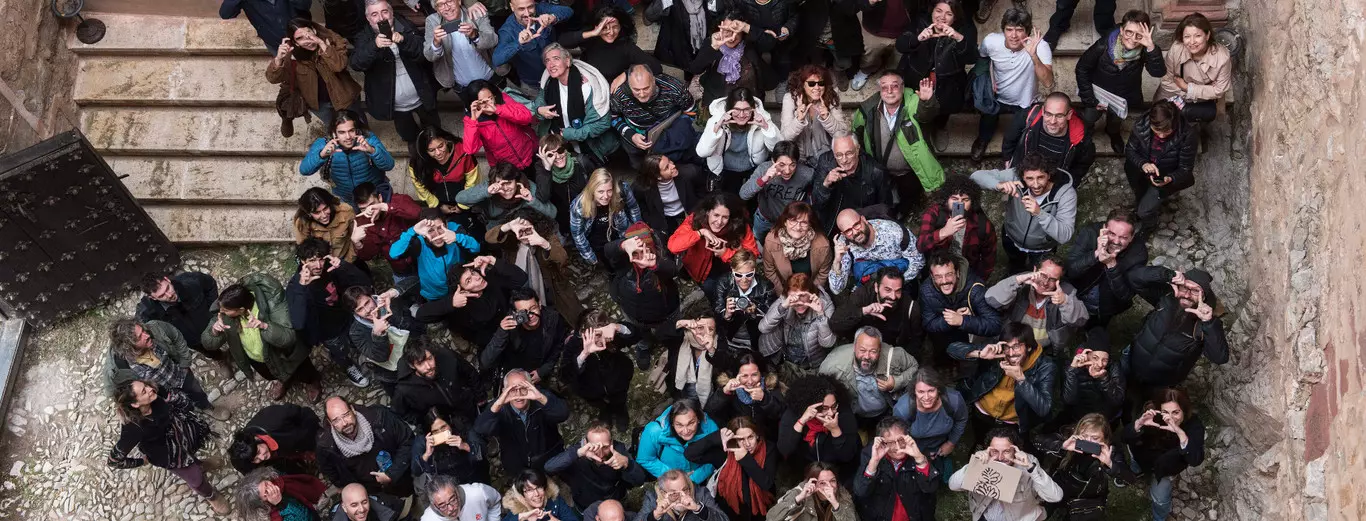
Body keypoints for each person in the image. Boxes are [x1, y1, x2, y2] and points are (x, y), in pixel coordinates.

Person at [108, 381, 230, 514]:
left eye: (146, 385)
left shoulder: (155, 392)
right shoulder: (133, 429)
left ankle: (199, 464)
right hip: (170, 455)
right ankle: (212, 497)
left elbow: (184, 403)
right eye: (144, 391)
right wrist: (142, 461)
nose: (150, 389)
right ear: (135, 404)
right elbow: (114, 460)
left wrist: (171, 397)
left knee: (191, 454)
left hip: (181, 435)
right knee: (196, 480)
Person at [202, 274, 323, 401]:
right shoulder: (225, 312)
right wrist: (214, 331)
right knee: (270, 373)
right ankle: (283, 380)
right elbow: (208, 344)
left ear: (241, 309)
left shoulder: (272, 302)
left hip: (283, 354)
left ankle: (311, 381)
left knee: (302, 370)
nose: (221, 311)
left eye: (225, 310)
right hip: (258, 358)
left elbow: (288, 338)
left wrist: (265, 326)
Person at [948, 324, 1058, 450]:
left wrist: (1021, 379)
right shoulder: (996, 350)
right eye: (1007, 347)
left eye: (1016, 347)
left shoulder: (1045, 366)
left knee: (1007, 452)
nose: (1010, 353)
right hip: (983, 412)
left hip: (1012, 422)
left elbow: (1044, 408)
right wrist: (979, 354)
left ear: (1028, 347)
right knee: (982, 441)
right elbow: (952, 349)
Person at [849, 71, 943, 216]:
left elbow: (926, 115)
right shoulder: (868, 110)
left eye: (895, 86)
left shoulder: (912, 103)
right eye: (885, 87)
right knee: (884, 194)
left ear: (902, 87)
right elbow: (857, 132)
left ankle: (904, 211)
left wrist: (927, 102)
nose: (890, 91)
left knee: (908, 193)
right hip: (882, 170)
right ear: (880, 90)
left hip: (909, 171)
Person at [971, 7, 1055, 163]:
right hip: (998, 96)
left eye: (1019, 30)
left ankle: (1012, 157)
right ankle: (983, 140)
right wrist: (988, 81)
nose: (1014, 35)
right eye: (1009, 30)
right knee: (987, 120)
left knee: (1014, 136)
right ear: (1003, 30)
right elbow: (983, 59)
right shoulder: (991, 41)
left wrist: (1034, 56)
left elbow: (1048, 83)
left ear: (1027, 31)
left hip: (1025, 101)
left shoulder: (1040, 47)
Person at [972, 153, 1078, 275]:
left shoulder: (1066, 194)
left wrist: (1040, 213)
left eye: (1041, 177)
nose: (1036, 184)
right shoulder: (1014, 175)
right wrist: (998, 185)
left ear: (1049, 175)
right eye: (1030, 179)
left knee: (1038, 274)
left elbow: (1065, 235)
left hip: (1042, 247)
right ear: (1022, 176)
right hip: (1012, 238)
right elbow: (975, 177)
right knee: (1015, 265)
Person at [287, 238, 374, 387]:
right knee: (340, 351)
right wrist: (302, 288)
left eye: (321, 259)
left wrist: (343, 266)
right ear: (302, 261)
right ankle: (347, 365)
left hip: (346, 315)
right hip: (328, 331)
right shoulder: (296, 286)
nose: (318, 265)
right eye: (312, 260)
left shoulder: (330, 268)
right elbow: (298, 322)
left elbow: (364, 283)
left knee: (356, 338)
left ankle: (362, 350)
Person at [1075, 10, 1164, 155]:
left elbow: (1158, 72)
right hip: (1099, 92)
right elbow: (1082, 69)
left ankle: (1113, 133)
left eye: (1139, 34)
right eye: (1129, 32)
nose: (1133, 39)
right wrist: (1089, 98)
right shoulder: (1102, 46)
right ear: (1122, 30)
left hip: (1123, 95)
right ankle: (1086, 132)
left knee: (1115, 121)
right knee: (1090, 116)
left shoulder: (1144, 50)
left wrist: (1151, 48)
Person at [1125, 267, 1229, 390]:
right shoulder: (1167, 297)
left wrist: (1208, 322)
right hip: (1130, 362)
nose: (1187, 294)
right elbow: (1133, 278)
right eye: (1185, 287)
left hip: (1161, 382)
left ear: (1204, 296)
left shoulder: (1206, 322)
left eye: (1195, 291)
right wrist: (1167, 275)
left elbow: (1220, 357)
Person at [351, 0, 441, 143]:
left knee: (435, 132)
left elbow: (423, 54)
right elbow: (356, 63)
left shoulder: (405, 26)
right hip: (396, 105)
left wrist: (404, 40)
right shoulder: (364, 36)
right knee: (409, 137)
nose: (381, 18)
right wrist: (374, 46)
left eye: (384, 12)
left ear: (391, 13)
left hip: (422, 97)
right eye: (374, 14)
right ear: (368, 19)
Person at [102, 319, 225, 419]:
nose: (146, 335)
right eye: (140, 337)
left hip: (180, 374)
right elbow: (112, 391)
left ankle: (206, 407)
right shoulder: (118, 368)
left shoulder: (156, 328)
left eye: (143, 331)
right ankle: (189, 416)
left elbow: (176, 337)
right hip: (160, 393)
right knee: (176, 408)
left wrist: (185, 363)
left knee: (196, 391)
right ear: (129, 347)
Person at [894, 0, 977, 142]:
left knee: (944, 107)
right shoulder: (920, 22)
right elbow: (900, 45)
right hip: (916, 76)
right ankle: (917, 125)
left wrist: (958, 38)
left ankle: (939, 127)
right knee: (916, 104)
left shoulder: (965, 29)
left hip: (949, 81)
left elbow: (972, 57)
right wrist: (918, 38)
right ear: (932, 11)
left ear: (955, 18)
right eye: (938, 11)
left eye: (949, 14)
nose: (942, 17)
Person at [605, 223, 683, 369]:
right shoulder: (623, 260)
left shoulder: (660, 253)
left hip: (665, 312)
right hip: (634, 312)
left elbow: (673, 270)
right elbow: (607, 250)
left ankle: (674, 345)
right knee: (642, 333)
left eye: (646, 249)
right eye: (636, 250)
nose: (641, 254)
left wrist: (655, 265)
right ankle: (644, 346)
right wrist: (623, 245)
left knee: (671, 333)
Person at [1123, 388, 1206, 521]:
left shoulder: (1193, 426)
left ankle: (1159, 518)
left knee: (1160, 499)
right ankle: (1136, 470)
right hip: (1142, 455)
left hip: (1165, 470)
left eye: (1176, 412)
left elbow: (1196, 459)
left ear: (1184, 410)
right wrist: (1138, 425)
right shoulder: (1151, 414)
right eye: (1165, 412)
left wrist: (1181, 435)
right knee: (1135, 459)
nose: (1170, 418)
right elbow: (1125, 438)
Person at [487, 209, 584, 322]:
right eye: (520, 231)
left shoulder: (547, 237)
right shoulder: (511, 241)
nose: (524, 236)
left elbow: (562, 259)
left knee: (570, 316)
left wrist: (544, 244)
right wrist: (508, 226)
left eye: (528, 230)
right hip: (523, 288)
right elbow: (489, 237)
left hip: (553, 287)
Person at [1035, 414, 1136, 520]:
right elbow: (1038, 440)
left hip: (1084, 499)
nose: (1088, 441)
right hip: (1059, 483)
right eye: (1084, 436)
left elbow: (1130, 479)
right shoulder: (1071, 435)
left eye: (1095, 438)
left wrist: (1110, 464)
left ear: (1104, 438)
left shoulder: (1111, 451)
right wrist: (1062, 446)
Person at [533, 44, 621, 167]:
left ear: (568, 61)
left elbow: (603, 123)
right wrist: (539, 109)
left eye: (556, 59)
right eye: (547, 60)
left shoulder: (587, 87)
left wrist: (572, 134)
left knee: (590, 166)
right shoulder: (548, 82)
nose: (551, 64)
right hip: (560, 139)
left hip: (586, 142)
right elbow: (540, 98)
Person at [416, 254, 530, 348]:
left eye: (473, 272)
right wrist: (450, 303)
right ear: (462, 290)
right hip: (490, 339)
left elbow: (522, 279)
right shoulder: (460, 304)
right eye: (468, 281)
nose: (477, 278)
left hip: (511, 322)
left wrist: (494, 260)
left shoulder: (489, 277)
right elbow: (421, 315)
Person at [947, 428, 1063, 521]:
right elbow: (953, 485)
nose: (1000, 457)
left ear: (1016, 450)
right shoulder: (983, 462)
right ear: (988, 449)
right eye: (995, 451)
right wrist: (974, 465)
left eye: (1006, 451)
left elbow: (1055, 497)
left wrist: (1031, 468)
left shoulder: (1029, 462)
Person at [267, 19, 362, 130]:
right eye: (299, 38)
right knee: (333, 128)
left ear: (314, 30)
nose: (307, 40)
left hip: (345, 98)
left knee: (358, 126)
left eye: (308, 34)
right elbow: (272, 79)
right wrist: (278, 59)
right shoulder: (291, 55)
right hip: (319, 104)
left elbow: (339, 66)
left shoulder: (331, 40)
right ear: (295, 42)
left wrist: (322, 44)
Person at [474, 369, 570, 475]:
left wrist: (541, 398)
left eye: (523, 388)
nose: (518, 395)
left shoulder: (540, 396)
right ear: (504, 391)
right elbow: (481, 430)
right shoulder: (498, 406)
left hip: (549, 456)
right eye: (513, 390)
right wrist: (497, 405)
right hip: (518, 465)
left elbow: (563, 414)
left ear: (531, 387)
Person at [818, 327, 917, 429]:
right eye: (862, 350)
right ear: (854, 346)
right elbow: (821, 389)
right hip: (855, 414)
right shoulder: (833, 366)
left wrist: (896, 383)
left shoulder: (894, 355)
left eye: (873, 351)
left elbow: (914, 367)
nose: (867, 356)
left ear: (880, 350)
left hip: (886, 411)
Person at [985, 254, 1088, 352]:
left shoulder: (1065, 292)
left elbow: (1081, 321)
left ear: (1059, 281)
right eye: (1043, 275)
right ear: (1035, 270)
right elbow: (991, 300)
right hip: (1011, 345)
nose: (1045, 282)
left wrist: (1065, 301)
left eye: (1052, 279)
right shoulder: (1020, 281)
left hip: (1043, 350)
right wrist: (1018, 281)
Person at [1124, 100, 1199, 233]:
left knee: (1144, 211)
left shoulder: (1187, 135)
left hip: (1165, 175)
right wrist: (1143, 164)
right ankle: (1142, 205)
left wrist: (1170, 178)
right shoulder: (1141, 125)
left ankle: (1149, 225)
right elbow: (1130, 150)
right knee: (1139, 194)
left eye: (1167, 131)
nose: (1162, 135)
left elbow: (1186, 168)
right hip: (1140, 170)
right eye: (1157, 130)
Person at [1064, 208, 1146, 329]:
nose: (1116, 241)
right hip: (1077, 293)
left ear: (1132, 237)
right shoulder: (1090, 233)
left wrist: (1112, 265)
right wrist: (1096, 254)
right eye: (1112, 234)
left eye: (1123, 237)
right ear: (1104, 229)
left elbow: (1125, 295)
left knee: (1094, 327)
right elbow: (1070, 270)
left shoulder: (1138, 254)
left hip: (1104, 305)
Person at [317, 397, 415, 497]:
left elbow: (407, 440)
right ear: (330, 423)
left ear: (353, 410)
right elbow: (330, 471)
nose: (344, 423)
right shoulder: (326, 446)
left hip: (400, 474)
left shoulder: (380, 417)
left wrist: (391, 474)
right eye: (336, 420)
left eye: (346, 415)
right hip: (371, 492)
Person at [684, 417, 778, 521]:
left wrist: (745, 459)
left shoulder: (767, 449)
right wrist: (717, 436)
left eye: (750, 437)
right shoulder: (726, 451)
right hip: (730, 509)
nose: (747, 444)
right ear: (733, 439)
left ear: (757, 435)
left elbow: (766, 483)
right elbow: (690, 454)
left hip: (759, 509)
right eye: (741, 439)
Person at [995, 92, 1098, 187]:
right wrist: (1008, 159)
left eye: (1059, 116)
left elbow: (1082, 164)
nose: (1053, 121)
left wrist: (1067, 187)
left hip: (1054, 184)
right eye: (1048, 114)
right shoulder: (1028, 117)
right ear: (1043, 111)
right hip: (1023, 177)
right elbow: (1010, 137)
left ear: (1069, 115)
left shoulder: (1080, 138)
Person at [560, 309, 640, 430]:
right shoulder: (573, 345)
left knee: (619, 400)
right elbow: (564, 375)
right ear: (583, 333)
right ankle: (605, 411)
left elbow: (636, 335)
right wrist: (584, 354)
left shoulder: (611, 336)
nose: (600, 340)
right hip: (589, 390)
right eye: (596, 335)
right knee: (599, 403)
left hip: (617, 382)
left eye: (602, 334)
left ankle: (620, 411)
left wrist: (617, 327)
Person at [669, 193, 761, 298]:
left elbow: (752, 255)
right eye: (716, 215)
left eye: (725, 217)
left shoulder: (739, 226)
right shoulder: (695, 220)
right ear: (708, 212)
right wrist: (700, 233)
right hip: (704, 275)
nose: (719, 222)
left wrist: (726, 253)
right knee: (715, 298)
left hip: (731, 270)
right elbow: (673, 246)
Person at [299, 112, 396, 206]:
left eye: (351, 131)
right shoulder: (323, 143)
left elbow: (389, 165)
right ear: (334, 133)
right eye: (342, 132)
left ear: (357, 130)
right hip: (347, 199)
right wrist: (322, 155)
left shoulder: (368, 138)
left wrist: (372, 151)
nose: (348, 137)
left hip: (374, 195)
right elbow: (304, 170)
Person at [918, 252, 1001, 362]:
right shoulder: (926, 291)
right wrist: (949, 320)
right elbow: (928, 323)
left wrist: (963, 321)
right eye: (938, 277)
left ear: (957, 273)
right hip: (944, 338)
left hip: (973, 340)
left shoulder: (975, 289)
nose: (944, 281)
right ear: (932, 276)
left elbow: (995, 325)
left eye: (948, 274)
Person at [697, 88, 781, 195]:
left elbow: (779, 150)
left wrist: (766, 127)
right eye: (736, 110)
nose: (741, 115)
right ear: (729, 108)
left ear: (753, 108)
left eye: (746, 110)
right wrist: (717, 128)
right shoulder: (716, 120)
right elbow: (702, 152)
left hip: (752, 170)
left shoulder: (761, 118)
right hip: (725, 171)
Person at [545, 422, 648, 510]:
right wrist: (578, 453)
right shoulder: (577, 453)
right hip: (585, 504)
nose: (601, 453)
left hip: (613, 501)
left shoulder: (619, 451)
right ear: (585, 443)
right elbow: (549, 468)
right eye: (595, 447)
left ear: (612, 442)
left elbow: (640, 481)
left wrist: (627, 464)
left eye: (605, 447)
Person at [851, 418, 937, 521]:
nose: (897, 447)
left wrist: (919, 458)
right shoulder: (870, 454)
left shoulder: (917, 450)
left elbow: (931, 487)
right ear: (882, 442)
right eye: (890, 442)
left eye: (901, 440)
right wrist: (874, 462)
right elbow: (860, 491)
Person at [610, 66, 696, 168]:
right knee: (638, 165)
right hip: (634, 137)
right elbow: (613, 117)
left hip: (667, 134)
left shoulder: (674, 87)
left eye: (646, 88)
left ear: (653, 81)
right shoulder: (619, 95)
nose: (641, 94)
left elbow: (691, 110)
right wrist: (630, 135)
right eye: (636, 89)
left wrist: (675, 133)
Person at [1154, 13, 1232, 123]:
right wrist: (1205, 90)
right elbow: (1167, 81)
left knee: (1203, 118)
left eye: (1198, 36)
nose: (1192, 42)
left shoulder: (1222, 57)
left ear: (1207, 35)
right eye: (1187, 37)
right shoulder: (1177, 49)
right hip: (1174, 92)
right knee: (1160, 117)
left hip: (1200, 98)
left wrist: (1187, 88)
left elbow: (1220, 90)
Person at [915, 175, 996, 281]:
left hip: (965, 271)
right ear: (947, 199)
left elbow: (988, 260)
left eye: (965, 200)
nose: (959, 204)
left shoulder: (983, 225)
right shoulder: (934, 214)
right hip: (938, 267)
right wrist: (943, 232)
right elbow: (921, 245)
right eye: (954, 199)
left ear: (972, 202)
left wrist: (979, 281)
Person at [391, 209, 482, 302]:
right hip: (434, 295)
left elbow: (476, 248)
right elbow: (394, 254)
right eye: (430, 231)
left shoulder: (454, 230)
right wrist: (412, 231)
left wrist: (457, 237)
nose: (437, 235)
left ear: (446, 224)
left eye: (440, 228)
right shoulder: (419, 241)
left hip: (460, 288)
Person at [891, 369, 968, 478]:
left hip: (942, 444)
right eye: (921, 392)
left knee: (942, 475)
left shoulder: (953, 400)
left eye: (931, 390)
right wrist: (916, 454)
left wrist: (951, 443)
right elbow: (899, 436)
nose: (926, 397)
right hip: (916, 447)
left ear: (939, 389)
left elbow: (961, 420)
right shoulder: (903, 409)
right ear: (914, 391)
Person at [481, 288, 568, 383]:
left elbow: (558, 346)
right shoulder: (510, 327)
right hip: (516, 373)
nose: (530, 315)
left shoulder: (553, 318)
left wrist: (543, 370)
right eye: (523, 312)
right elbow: (485, 362)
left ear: (539, 304)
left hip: (539, 367)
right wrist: (501, 332)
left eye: (533, 308)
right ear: (515, 313)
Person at [343, 285, 422, 391]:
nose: (367, 310)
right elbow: (380, 357)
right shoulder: (356, 332)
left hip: (416, 349)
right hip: (394, 371)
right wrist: (378, 335)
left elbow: (416, 282)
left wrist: (394, 292)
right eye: (360, 309)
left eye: (367, 303)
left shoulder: (388, 300)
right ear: (355, 313)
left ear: (371, 296)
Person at [775, 374, 860, 472]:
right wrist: (801, 421)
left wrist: (835, 431)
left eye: (833, 406)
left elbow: (847, 456)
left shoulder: (843, 414)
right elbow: (785, 449)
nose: (830, 413)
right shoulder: (793, 414)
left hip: (838, 469)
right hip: (806, 469)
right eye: (824, 408)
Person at [810, 135, 893, 235]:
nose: (844, 160)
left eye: (848, 153)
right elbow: (817, 203)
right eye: (839, 155)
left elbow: (884, 208)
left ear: (857, 149)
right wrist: (826, 184)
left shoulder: (875, 171)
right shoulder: (825, 162)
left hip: (860, 223)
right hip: (832, 222)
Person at [828, 209, 923, 295]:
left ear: (863, 219)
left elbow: (918, 261)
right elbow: (837, 289)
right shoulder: (844, 245)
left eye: (857, 225)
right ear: (843, 234)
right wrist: (837, 261)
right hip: (868, 288)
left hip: (899, 281)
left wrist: (897, 284)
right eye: (848, 231)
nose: (855, 232)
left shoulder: (893, 232)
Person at [686, 14, 776, 105]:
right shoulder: (712, 43)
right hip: (717, 104)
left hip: (748, 105)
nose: (731, 37)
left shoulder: (750, 46)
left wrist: (747, 27)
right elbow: (695, 69)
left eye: (735, 31)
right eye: (726, 30)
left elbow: (770, 43)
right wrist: (713, 47)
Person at [559, 6, 662, 84]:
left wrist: (626, 74)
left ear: (621, 27)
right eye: (605, 28)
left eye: (615, 27)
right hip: (583, 82)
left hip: (605, 90)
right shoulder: (591, 38)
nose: (611, 32)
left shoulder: (625, 46)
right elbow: (562, 41)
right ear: (596, 27)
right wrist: (593, 33)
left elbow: (656, 67)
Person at [758, 274, 837, 375]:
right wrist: (783, 307)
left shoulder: (825, 304)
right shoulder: (785, 300)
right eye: (794, 296)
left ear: (812, 293)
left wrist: (821, 315)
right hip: (787, 362)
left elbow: (828, 343)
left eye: (803, 295)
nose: (799, 302)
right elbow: (763, 328)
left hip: (813, 364)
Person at [711, 251, 777, 370]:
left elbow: (772, 316)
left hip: (757, 337)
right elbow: (716, 311)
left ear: (755, 270)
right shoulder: (723, 282)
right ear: (732, 270)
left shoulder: (766, 286)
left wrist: (755, 312)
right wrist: (726, 314)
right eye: (739, 275)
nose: (744, 279)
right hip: (731, 334)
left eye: (749, 274)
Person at [829, 267, 923, 349]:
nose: (893, 296)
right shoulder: (862, 296)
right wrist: (863, 311)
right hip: (862, 349)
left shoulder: (910, 307)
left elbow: (916, 341)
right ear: (876, 287)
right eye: (887, 290)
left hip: (891, 352)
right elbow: (835, 324)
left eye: (897, 291)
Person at [740, 142, 813, 247]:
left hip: (789, 223)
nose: (787, 171)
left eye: (792, 165)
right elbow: (743, 194)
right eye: (782, 165)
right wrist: (764, 179)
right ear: (773, 161)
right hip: (764, 219)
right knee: (762, 245)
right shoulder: (763, 169)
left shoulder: (806, 174)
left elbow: (816, 195)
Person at [493, 0, 573, 92]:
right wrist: (518, 43)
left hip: (559, 71)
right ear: (512, 7)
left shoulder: (541, 8)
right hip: (535, 83)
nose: (527, 13)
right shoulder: (507, 31)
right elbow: (497, 59)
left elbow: (568, 11)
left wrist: (552, 17)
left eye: (530, 7)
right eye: (521, 9)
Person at [137, 271, 220, 358]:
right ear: (153, 297)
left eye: (168, 288)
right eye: (162, 296)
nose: (169, 295)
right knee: (209, 352)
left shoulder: (191, 281)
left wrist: (213, 310)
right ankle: (221, 358)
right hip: (192, 340)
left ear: (167, 279)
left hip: (210, 324)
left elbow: (210, 284)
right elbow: (140, 327)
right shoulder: (148, 311)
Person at [571, 168, 645, 267]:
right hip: (597, 240)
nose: (606, 196)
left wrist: (638, 230)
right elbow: (578, 234)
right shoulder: (579, 206)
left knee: (625, 260)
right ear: (592, 190)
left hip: (620, 233)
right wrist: (590, 257)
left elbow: (633, 207)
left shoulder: (622, 190)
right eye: (600, 192)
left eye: (609, 191)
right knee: (607, 262)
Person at [637, 399, 721, 484]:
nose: (685, 431)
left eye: (691, 423)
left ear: (698, 419)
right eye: (679, 425)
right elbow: (645, 459)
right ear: (672, 423)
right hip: (669, 480)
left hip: (699, 477)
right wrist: (673, 477)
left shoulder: (710, 428)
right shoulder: (653, 431)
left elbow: (716, 456)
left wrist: (694, 479)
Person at [352, 182, 422, 282]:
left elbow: (417, 212)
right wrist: (358, 243)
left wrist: (386, 207)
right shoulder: (363, 222)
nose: (369, 211)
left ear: (380, 198)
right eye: (363, 209)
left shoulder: (399, 200)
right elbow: (368, 255)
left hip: (422, 256)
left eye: (371, 205)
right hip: (400, 266)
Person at [463, 79, 539, 172]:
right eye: (482, 102)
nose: (489, 104)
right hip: (506, 167)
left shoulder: (504, 99)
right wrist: (473, 120)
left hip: (530, 153)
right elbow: (470, 149)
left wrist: (498, 109)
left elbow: (526, 117)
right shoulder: (472, 120)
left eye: (490, 98)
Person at [424, 0, 498, 93]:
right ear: (437, 10)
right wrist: (436, 43)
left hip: (491, 79)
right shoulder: (432, 21)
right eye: (441, 5)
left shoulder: (475, 12)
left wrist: (475, 35)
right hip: (462, 87)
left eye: (449, 1)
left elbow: (493, 40)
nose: (447, 8)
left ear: (459, 1)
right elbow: (429, 56)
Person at [779, 66, 848, 162]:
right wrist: (798, 120)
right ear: (803, 84)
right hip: (798, 156)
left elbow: (843, 133)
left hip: (826, 155)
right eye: (811, 84)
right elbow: (784, 138)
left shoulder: (831, 97)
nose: (817, 87)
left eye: (821, 83)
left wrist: (827, 118)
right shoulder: (790, 99)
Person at [409, 126, 482, 218]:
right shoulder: (417, 163)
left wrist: (462, 206)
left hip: (463, 199)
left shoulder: (463, 153)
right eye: (431, 150)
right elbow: (419, 186)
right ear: (424, 151)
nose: (438, 153)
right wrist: (438, 205)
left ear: (446, 140)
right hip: (437, 201)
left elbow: (472, 181)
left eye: (441, 146)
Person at [229, 404, 323, 475]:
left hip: (305, 438)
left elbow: (303, 414)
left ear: (256, 439)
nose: (262, 458)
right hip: (287, 455)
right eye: (256, 459)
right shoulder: (243, 460)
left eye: (258, 452)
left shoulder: (275, 419)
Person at [456, 163, 558, 228]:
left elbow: (553, 213)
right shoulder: (490, 187)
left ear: (516, 181)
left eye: (508, 183)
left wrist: (531, 200)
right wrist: (486, 192)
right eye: (501, 183)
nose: (505, 188)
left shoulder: (527, 187)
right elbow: (459, 198)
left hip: (526, 226)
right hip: (499, 228)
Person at [759, 203, 831, 295]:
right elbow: (770, 271)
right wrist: (783, 294)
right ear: (785, 222)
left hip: (810, 291)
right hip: (784, 289)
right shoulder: (772, 241)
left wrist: (810, 295)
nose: (798, 227)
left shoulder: (822, 244)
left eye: (804, 222)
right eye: (793, 221)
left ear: (810, 224)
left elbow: (823, 273)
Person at [705, 354, 785, 437]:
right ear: (736, 375)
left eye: (754, 375)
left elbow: (783, 415)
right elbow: (709, 412)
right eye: (744, 376)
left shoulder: (770, 388)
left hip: (765, 441)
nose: (750, 381)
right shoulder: (730, 390)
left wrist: (764, 399)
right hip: (737, 439)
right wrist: (724, 392)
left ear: (761, 374)